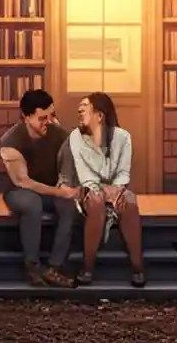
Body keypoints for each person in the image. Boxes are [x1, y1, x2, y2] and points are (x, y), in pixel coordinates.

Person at [0, 89, 79, 288]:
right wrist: (60, 192)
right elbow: (23, 182)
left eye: (52, 115)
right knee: (31, 202)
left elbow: (72, 165)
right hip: (20, 191)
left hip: (52, 189)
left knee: (68, 206)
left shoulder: (60, 134)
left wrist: (67, 187)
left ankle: (55, 267)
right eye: (43, 117)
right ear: (26, 117)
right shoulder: (10, 142)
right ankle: (32, 266)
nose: (49, 121)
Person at [65, 91, 146, 287]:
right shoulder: (75, 137)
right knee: (95, 200)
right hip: (88, 190)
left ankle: (137, 267)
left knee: (129, 201)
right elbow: (85, 176)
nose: (79, 110)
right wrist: (102, 191)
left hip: (116, 189)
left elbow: (123, 173)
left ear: (99, 116)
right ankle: (88, 267)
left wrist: (117, 190)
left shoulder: (123, 137)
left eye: (85, 107)